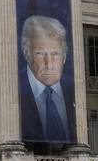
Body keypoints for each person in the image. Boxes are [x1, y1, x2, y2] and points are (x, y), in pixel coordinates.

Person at [19, 15, 74, 143]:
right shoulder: (14, 84)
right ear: (27, 54)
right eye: (40, 53)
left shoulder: (74, 87)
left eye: (55, 54)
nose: (49, 64)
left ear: (64, 57)